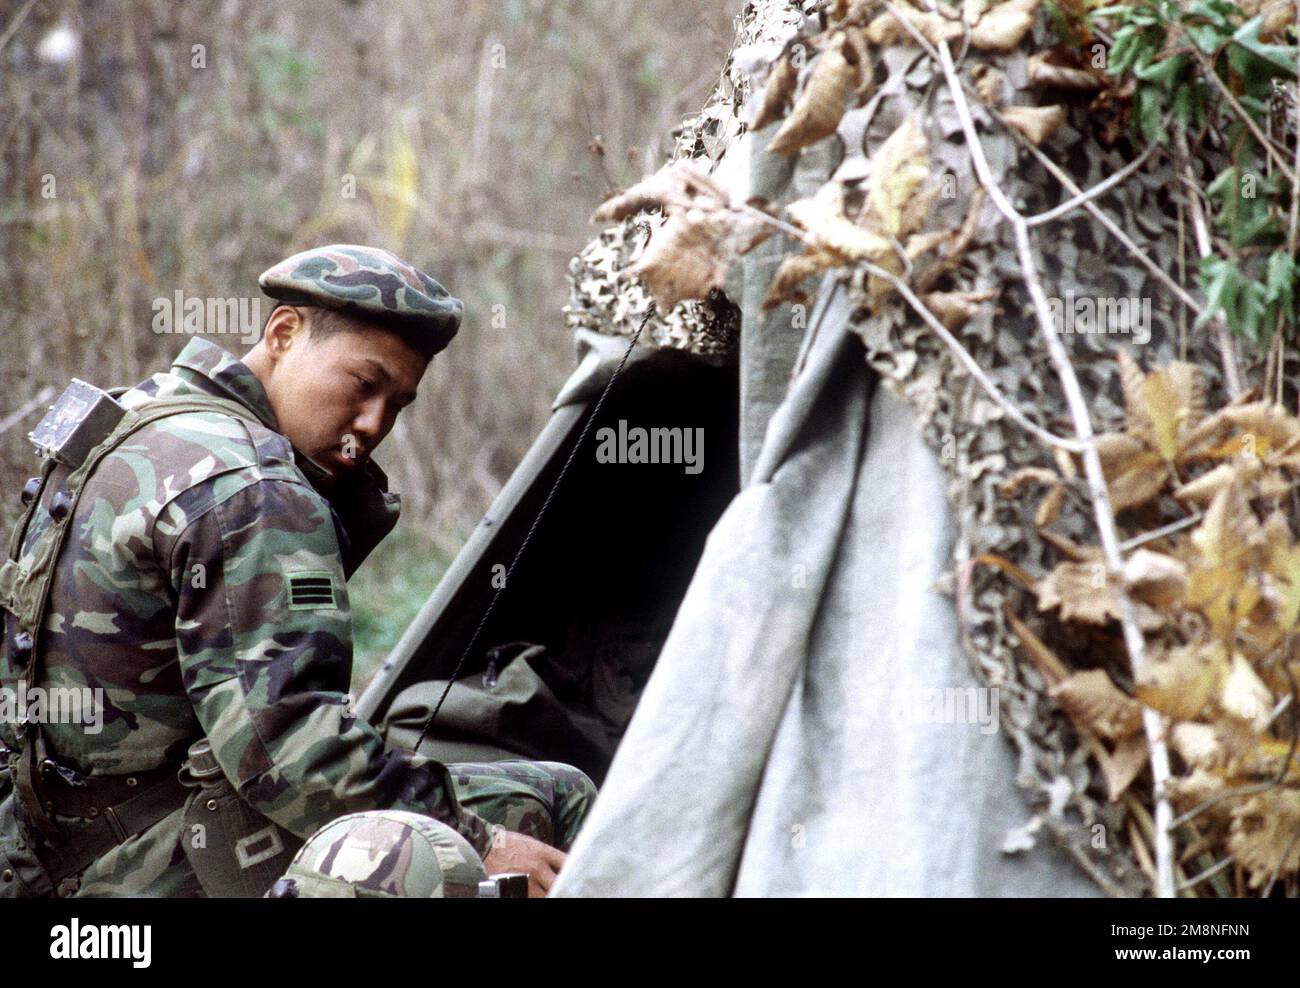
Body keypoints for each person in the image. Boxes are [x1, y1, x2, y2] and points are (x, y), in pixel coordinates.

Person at [0, 245, 594, 898]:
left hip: (34, 846)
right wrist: (480, 842)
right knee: (556, 798)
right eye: (363, 385)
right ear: (283, 333)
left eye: (397, 403)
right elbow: (292, 753)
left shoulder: (128, 420)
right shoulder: (255, 486)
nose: (371, 425)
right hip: (155, 867)